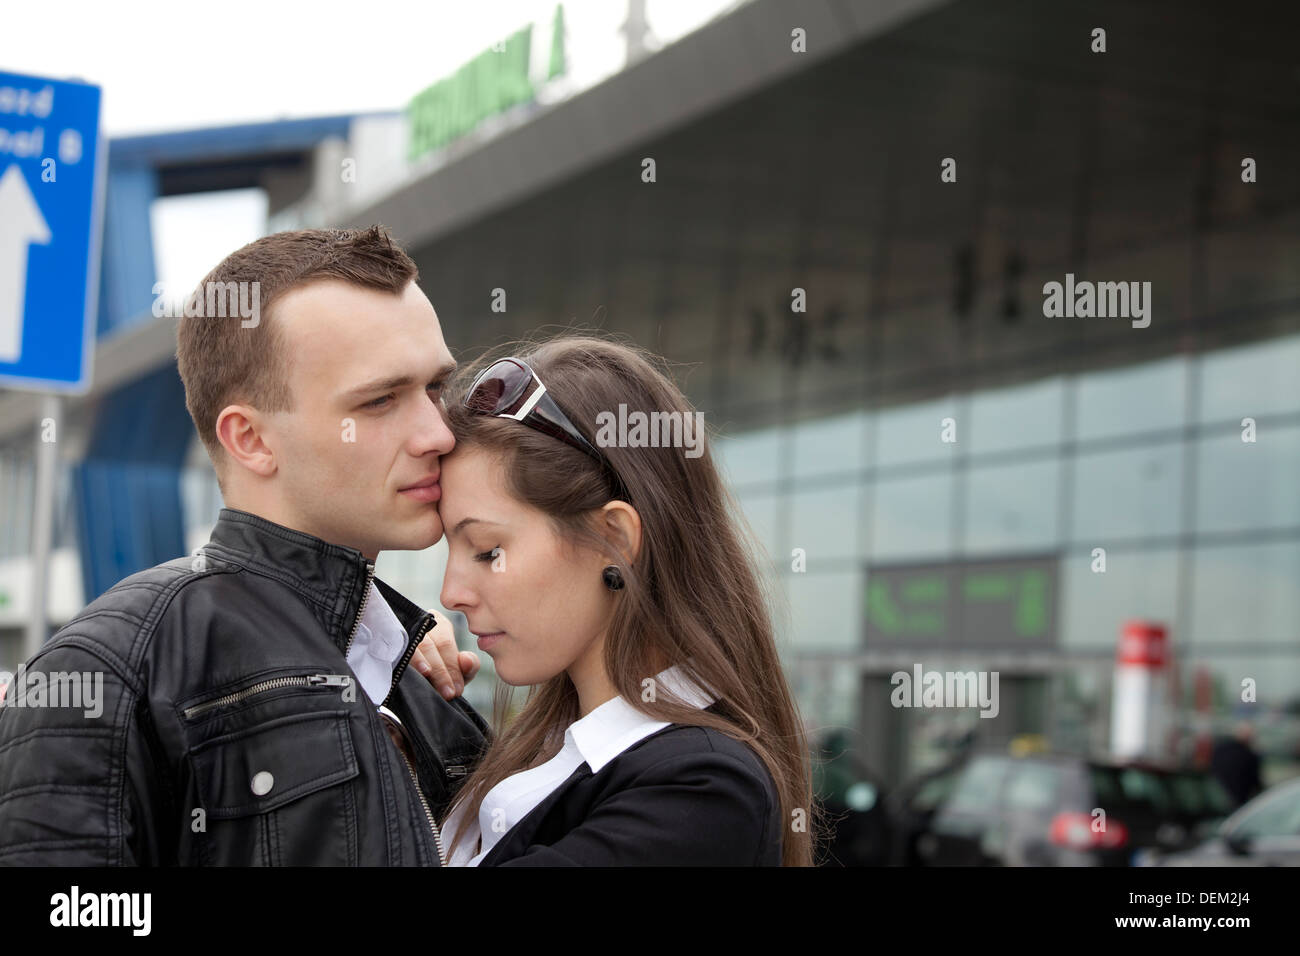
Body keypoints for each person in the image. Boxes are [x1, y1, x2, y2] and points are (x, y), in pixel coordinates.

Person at [0, 226, 487, 866]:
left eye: (434, 389)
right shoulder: (113, 668)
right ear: (250, 439)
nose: (438, 432)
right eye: (379, 401)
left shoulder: (419, 674)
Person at [435, 336, 815, 865]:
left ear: (613, 539)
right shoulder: (549, 753)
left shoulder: (702, 793)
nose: (451, 593)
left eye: (487, 550)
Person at [1209, 720, 1264, 809]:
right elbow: (1255, 782)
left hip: (1217, 797)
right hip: (1238, 801)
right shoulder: (1249, 755)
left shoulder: (1221, 749)